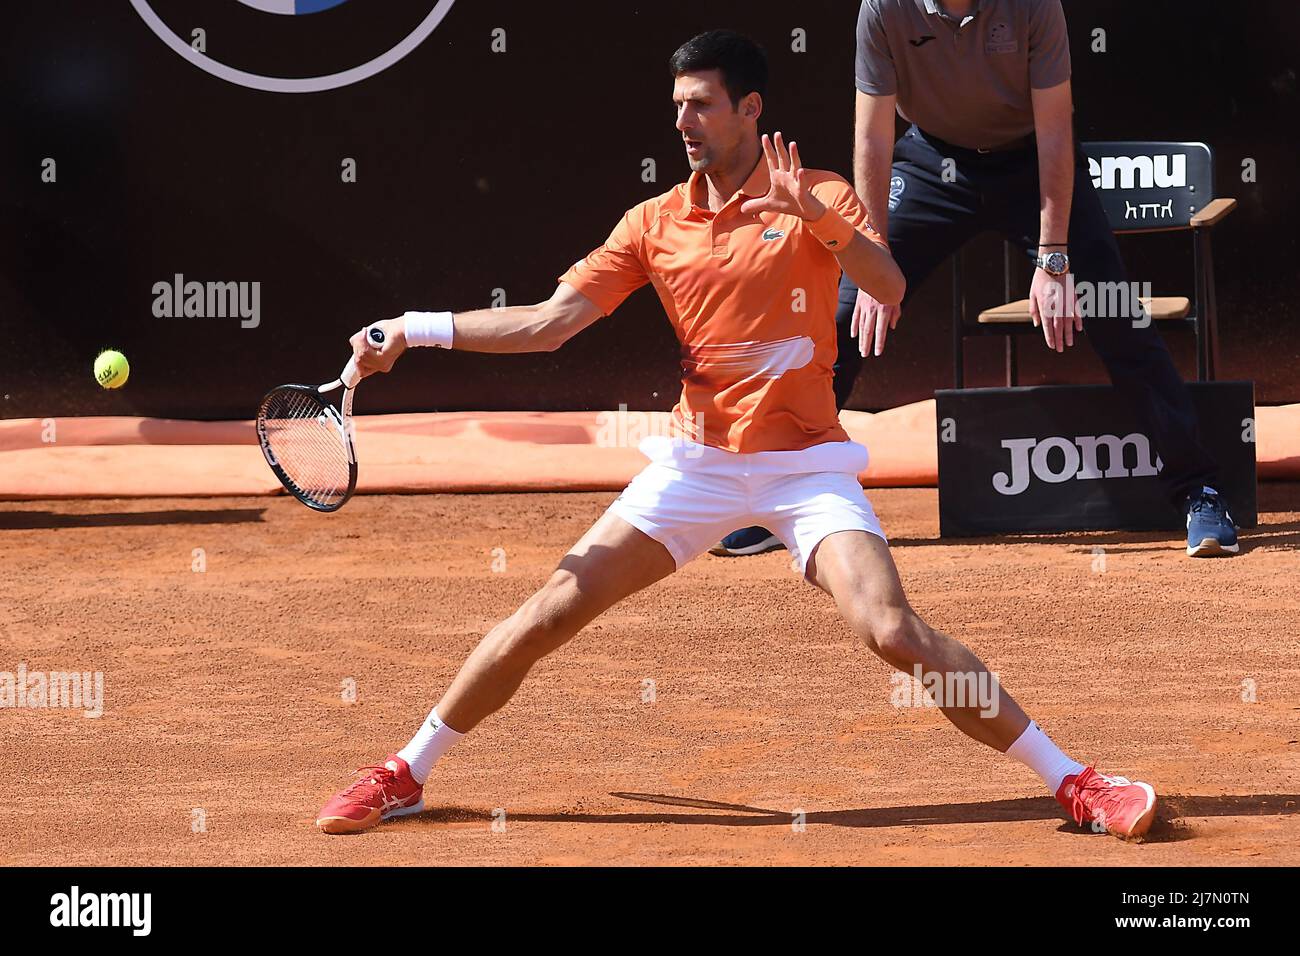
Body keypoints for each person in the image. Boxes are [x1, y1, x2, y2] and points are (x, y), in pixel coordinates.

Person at [314, 30, 1157, 841]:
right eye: (677, 107)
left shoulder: (819, 190)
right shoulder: (651, 223)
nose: (683, 122)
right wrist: (416, 329)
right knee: (549, 611)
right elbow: (549, 321)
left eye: (701, 106)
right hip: (698, 465)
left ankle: (1076, 782)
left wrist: (815, 222)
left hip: (805, 468)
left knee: (892, 631)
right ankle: (406, 773)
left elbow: (888, 280)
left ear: (750, 108)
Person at [714, 0, 1239, 560]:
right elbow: (873, 137)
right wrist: (872, 259)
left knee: (1116, 315)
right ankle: (785, 497)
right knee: (840, 317)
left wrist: (1054, 259)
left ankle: (1199, 492)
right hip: (929, 165)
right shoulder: (883, 9)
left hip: (1033, 162)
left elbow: (1056, 131)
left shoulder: (1035, 7)